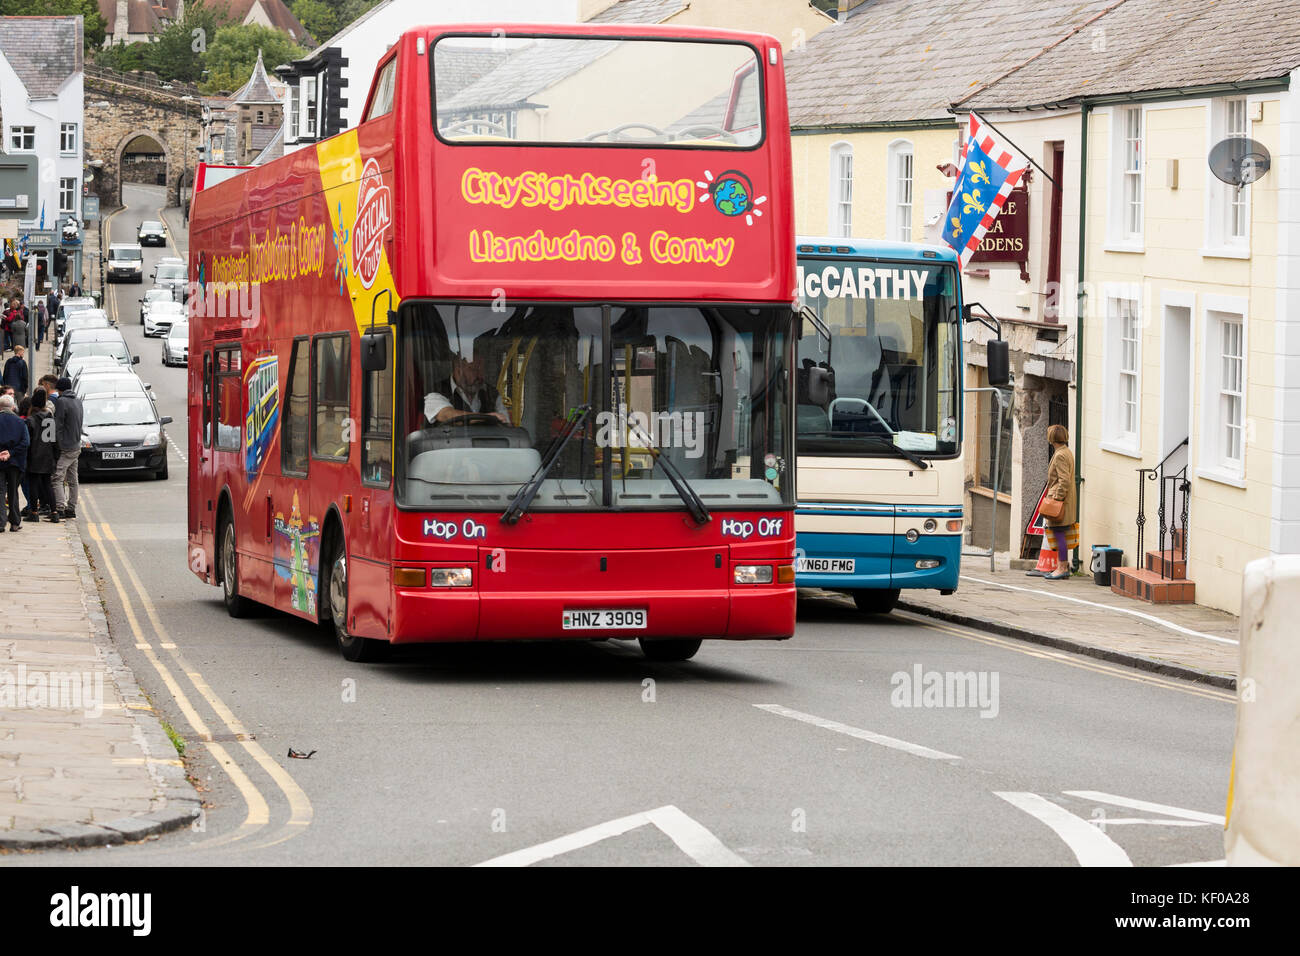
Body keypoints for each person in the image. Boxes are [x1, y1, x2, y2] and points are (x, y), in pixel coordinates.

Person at [423, 353, 508, 424]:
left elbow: (506, 424)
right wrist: (488, 418)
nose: (480, 375)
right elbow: (446, 415)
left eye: (482, 370)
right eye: (475, 369)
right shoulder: (436, 391)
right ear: (458, 370)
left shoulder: (491, 393)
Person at [1043, 423, 1077, 580]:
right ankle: (1061, 566)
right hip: (1064, 501)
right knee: (1060, 533)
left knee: (1059, 534)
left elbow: (1064, 481)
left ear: (1052, 438)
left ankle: (1062, 567)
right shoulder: (1065, 451)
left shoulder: (1060, 455)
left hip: (1060, 503)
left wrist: (1056, 499)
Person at [23, 388, 57, 522]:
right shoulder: (50, 419)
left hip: (35, 456)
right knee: (48, 484)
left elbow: (28, 441)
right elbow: (54, 441)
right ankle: (54, 513)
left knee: (33, 485)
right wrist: (55, 456)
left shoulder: (31, 420)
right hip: (48, 456)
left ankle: (34, 512)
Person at [51, 375, 82, 519]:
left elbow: (57, 425)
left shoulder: (62, 401)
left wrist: (55, 443)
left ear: (61, 390)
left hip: (66, 447)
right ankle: (72, 508)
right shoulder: (78, 400)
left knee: (57, 478)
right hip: (76, 444)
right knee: (72, 479)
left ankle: (60, 507)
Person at [0, 392, 29, 531]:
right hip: (16, 462)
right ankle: (15, 522)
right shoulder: (20, 422)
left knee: (0, 491)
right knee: (13, 491)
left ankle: (0, 523)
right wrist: (11, 453)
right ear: (12, 407)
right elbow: (25, 442)